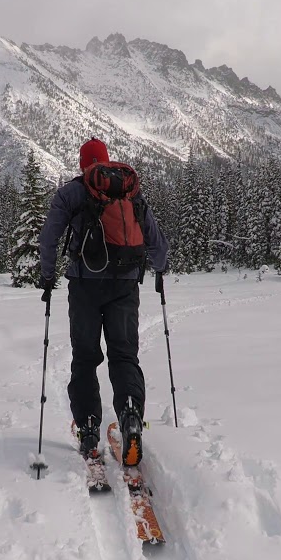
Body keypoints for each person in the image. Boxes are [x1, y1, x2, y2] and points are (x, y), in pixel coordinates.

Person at [38, 138, 169, 466]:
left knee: (84, 357)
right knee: (124, 356)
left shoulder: (74, 191)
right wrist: (160, 268)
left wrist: (47, 275)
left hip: (84, 285)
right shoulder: (129, 190)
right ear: (107, 161)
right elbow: (155, 238)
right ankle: (130, 416)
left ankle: (88, 428)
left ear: (84, 163)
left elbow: (50, 236)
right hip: (125, 284)